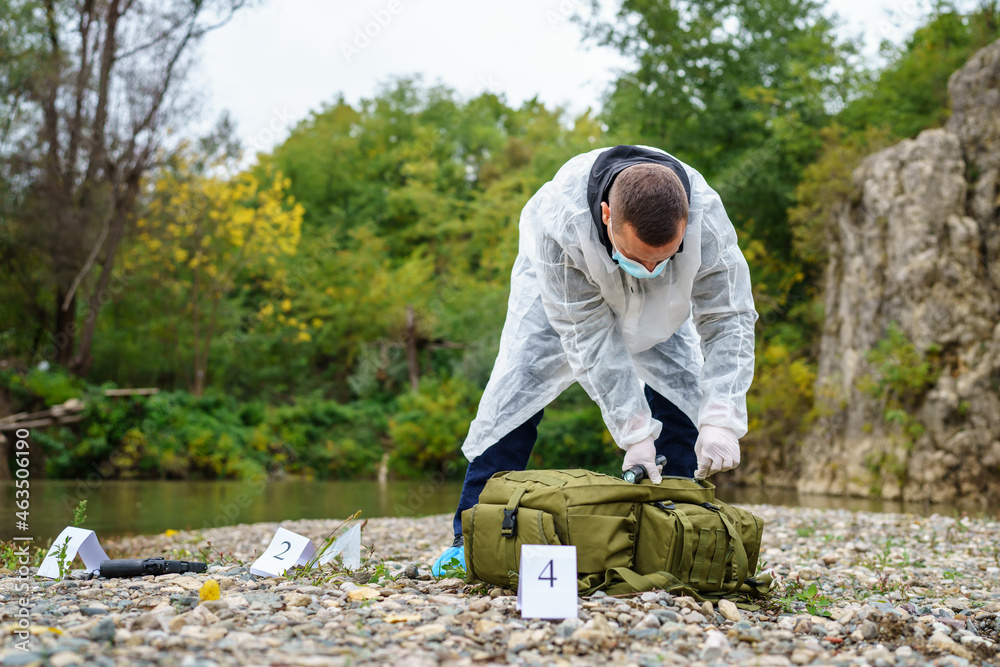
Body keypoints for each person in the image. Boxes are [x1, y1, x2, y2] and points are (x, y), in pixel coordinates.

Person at [431, 144, 756, 575]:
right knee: (517, 392)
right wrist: (635, 433)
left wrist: (722, 415)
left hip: (665, 306)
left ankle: (675, 529)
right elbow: (590, 340)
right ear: (607, 216)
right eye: (641, 258)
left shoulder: (706, 219)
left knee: (683, 384)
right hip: (563, 294)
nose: (653, 268)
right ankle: (470, 538)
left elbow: (729, 316)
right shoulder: (560, 222)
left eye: (665, 257)